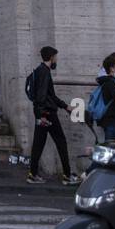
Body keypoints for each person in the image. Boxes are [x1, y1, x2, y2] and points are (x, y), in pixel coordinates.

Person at [27, 46, 80, 186]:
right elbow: (42, 96)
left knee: (38, 145)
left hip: (43, 113)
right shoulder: (44, 72)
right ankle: (67, 175)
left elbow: (50, 95)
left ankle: (32, 174)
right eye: (55, 57)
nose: (56, 60)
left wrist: (65, 106)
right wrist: (43, 115)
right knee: (61, 142)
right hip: (48, 114)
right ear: (51, 57)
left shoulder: (39, 70)